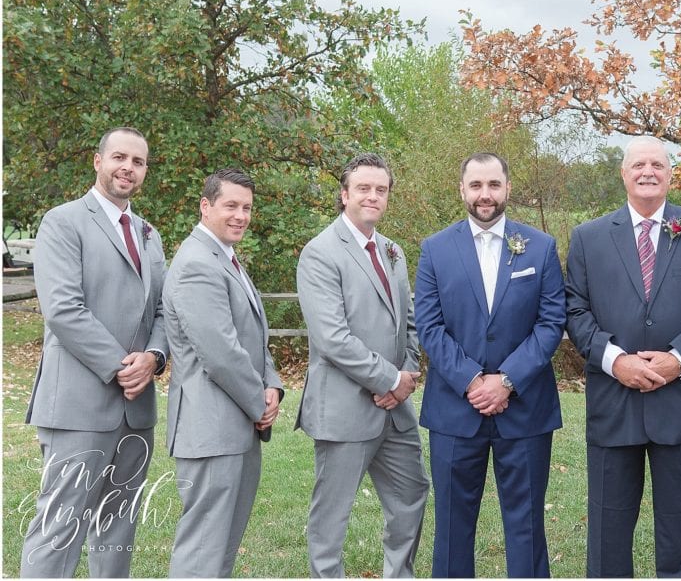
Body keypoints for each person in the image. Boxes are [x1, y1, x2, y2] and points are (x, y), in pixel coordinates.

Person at [565, 135, 681, 577]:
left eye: (657, 165)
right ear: (623, 174)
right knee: (608, 529)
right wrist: (615, 361)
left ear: (670, 174)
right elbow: (574, 311)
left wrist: (678, 360)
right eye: (638, 164)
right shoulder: (588, 238)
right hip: (614, 402)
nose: (648, 172)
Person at [20, 127, 168, 578]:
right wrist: (122, 367)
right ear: (98, 161)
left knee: (118, 527)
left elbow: (164, 311)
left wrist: (154, 357)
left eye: (138, 161)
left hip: (136, 410)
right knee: (59, 528)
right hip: (79, 404)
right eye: (119, 157)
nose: (128, 168)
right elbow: (63, 309)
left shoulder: (149, 234)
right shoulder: (63, 222)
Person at [416, 152, 565, 577]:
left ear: (507, 188)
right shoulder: (435, 249)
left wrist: (508, 380)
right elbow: (429, 326)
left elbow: (551, 322)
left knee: (527, 525)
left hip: (525, 409)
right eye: (477, 185)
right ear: (462, 190)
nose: (486, 194)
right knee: (451, 528)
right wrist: (471, 380)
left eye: (494, 185)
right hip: (454, 411)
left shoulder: (540, 246)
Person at [295, 152, 429, 578]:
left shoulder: (393, 251)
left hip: (396, 410)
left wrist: (406, 376)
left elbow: (409, 323)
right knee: (332, 516)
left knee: (412, 494)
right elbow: (332, 338)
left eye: (381, 189)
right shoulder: (319, 253)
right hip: (345, 409)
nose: (373, 196)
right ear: (344, 194)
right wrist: (389, 379)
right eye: (364, 188)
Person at [163, 168, 284, 577]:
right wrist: (258, 404)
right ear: (205, 205)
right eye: (231, 205)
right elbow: (221, 353)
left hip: (235, 426)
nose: (241, 216)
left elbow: (252, 336)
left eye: (247, 208)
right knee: (202, 552)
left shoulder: (224, 256)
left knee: (221, 550)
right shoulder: (197, 263)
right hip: (211, 429)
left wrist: (272, 386)